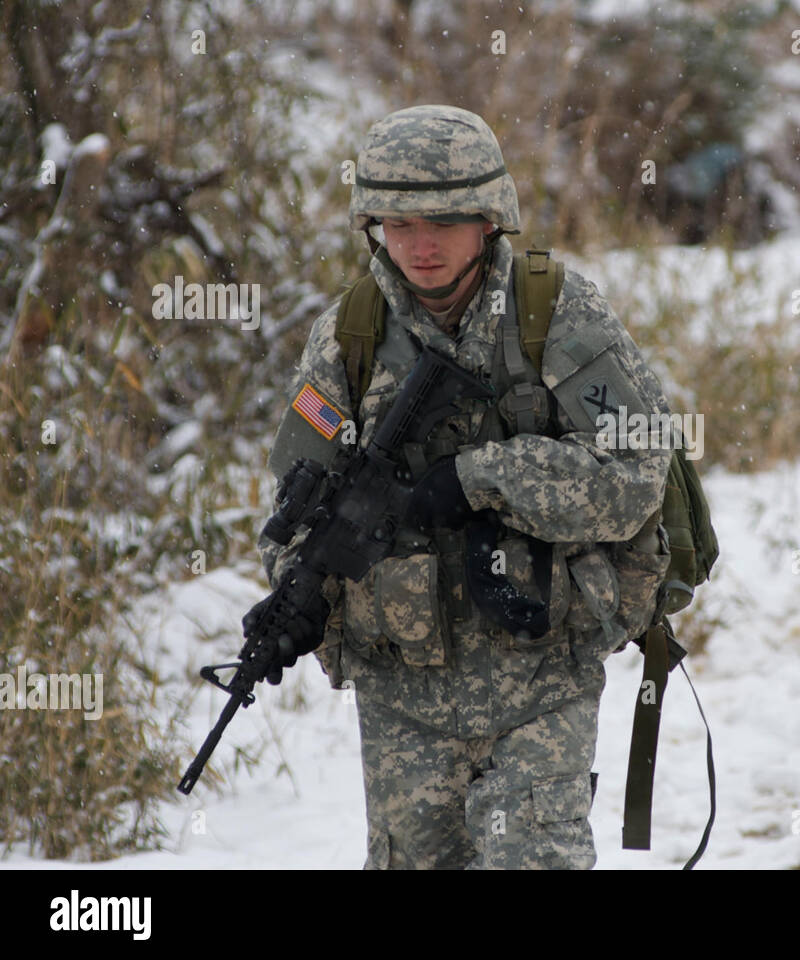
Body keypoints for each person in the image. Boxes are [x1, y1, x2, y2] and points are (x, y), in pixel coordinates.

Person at [256, 104, 673, 869]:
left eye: (443, 222)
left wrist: (483, 478)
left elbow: (638, 470)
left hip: (541, 678)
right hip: (402, 696)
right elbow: (293, 496)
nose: (419, 246)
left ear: (490, 218)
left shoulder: (556, 314)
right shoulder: (347, 335)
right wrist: (295, 596)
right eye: (398, 223)